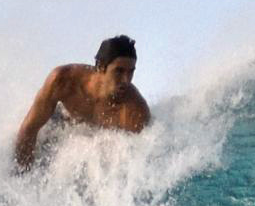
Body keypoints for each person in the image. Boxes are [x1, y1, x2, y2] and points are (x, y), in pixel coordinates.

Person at [13, 36, 152, 169]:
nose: (126, 80)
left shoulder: (134, 113)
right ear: (101, 67)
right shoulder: (63, 80)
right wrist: (21, 176)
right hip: (56, 126)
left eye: (131, 72)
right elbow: (29, 129)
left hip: (91, 155)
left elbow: (135, 165)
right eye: (119, 71)